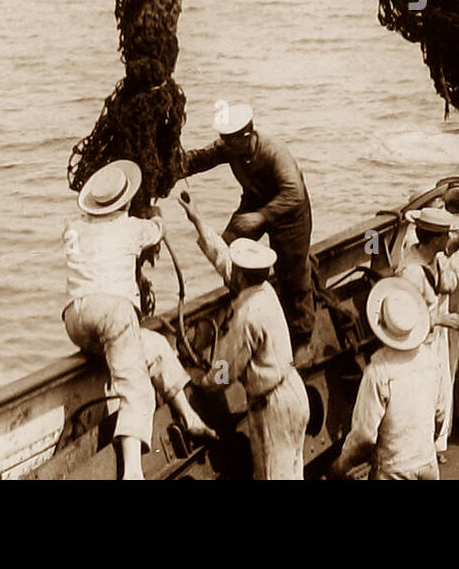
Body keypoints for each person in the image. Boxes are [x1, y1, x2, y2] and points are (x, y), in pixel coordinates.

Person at [61, 161, 214, 480]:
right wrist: (155, 212)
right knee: (136, 388)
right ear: (126, 202)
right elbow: (158, 231)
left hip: (75, 318)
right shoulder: (131, 227)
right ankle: (132, 474)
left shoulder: (72, 226)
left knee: (156, 347)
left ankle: (189, 416)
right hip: (113, 314)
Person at [181, 189, 309, 480]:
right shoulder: (264, 292)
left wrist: (201, 380)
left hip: (274, 404)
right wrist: (197, 219)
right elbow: (224, 261)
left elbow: (226, 370)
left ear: (242, 274)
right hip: (293, 391)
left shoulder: (249, 316)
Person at [182, 103, 315, 348]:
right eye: (223, 140)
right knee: (228, 245)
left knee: (293, 274)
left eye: (229, 141)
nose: (224, 146)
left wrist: (262, 216)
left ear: (247, 136)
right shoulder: (229, 147)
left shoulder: (274, 152)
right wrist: (171, 169)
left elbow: (294, 193)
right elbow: (200, 159)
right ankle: (242, 303)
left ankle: (303, 336)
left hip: (289, 212)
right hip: (256, 200)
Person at [395, 204, 459, 458]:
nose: (449, 238)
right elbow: (404, 316)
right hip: (416, 345)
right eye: (445, 235)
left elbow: (445, 281)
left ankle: (431, 447)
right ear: (435, 239)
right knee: (422, 399)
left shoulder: (433, 259)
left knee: (439, 396)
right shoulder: (411, 272)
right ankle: (420, 452)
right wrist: (441, 319)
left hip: (431, 342)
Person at [330, 278, 443, 480]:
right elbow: (440, 413)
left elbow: (364, 436)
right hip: (427, 464)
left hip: (394, 468)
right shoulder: (431, 359)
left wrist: (340, 465)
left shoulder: (378, 371)